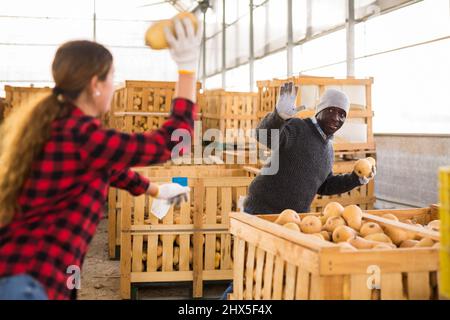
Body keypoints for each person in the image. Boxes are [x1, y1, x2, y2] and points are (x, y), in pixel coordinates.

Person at [0, 18, 202, 300]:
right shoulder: (83, 134)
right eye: (111, 77)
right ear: (96, 84)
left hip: (19, 272)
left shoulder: (56, 125)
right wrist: (188, 70)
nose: (112, 86)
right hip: (30, 283)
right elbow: (173, 143)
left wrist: (157, 190)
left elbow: (109, 169)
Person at [220, 82, 376, 300]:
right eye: (332, 110)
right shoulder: (298, 128)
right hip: (261, 210)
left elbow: (324, 184)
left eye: (342, 114)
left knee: (276, 276)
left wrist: (355, 179)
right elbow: (263, 136)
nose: (337, 118)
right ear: (321, 109)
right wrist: (278, 116)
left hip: (292, 220)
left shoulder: (328, 149)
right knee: (249, 271)